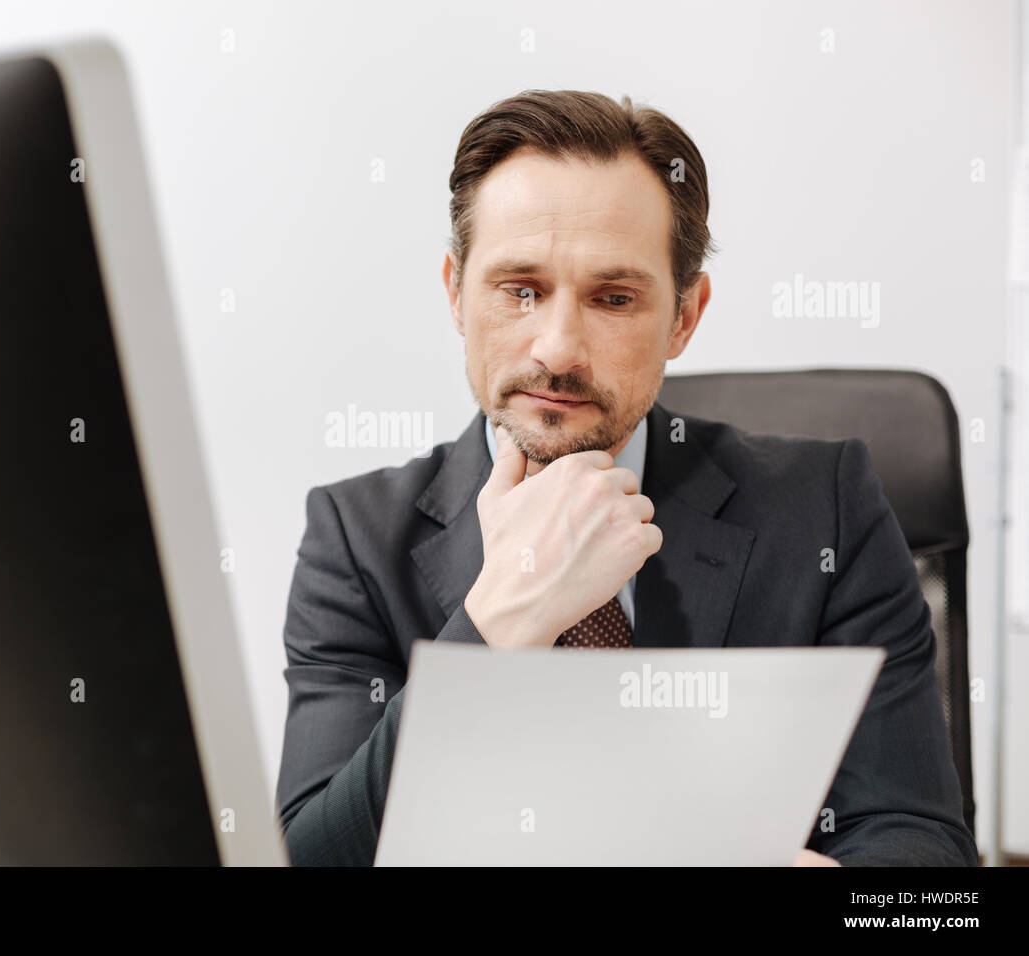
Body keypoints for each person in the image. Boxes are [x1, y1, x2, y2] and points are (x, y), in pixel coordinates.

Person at [274, 90, 977, 867]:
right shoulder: (354, 537)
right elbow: (310, 859)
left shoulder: (826, 509)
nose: (559, 348)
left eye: (613, 298)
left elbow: (925, 871)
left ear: (684, 315)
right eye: (520, 290)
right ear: (455, 293)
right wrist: (499, 622)